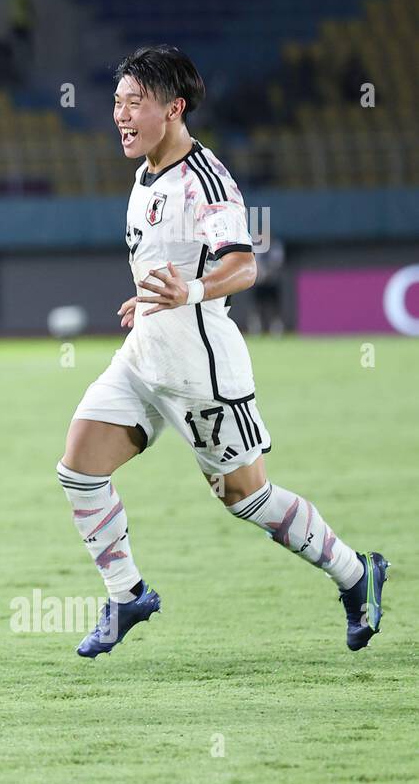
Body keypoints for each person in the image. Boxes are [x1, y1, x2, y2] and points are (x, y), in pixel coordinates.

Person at [58, 45, 388, 658]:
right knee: (79, 466)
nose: (120, 115)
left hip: (200, 368)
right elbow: (168, 266)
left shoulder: (206, 179)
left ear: (174, 108)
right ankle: (127, 593)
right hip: (144, 355)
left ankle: (354, 573)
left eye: (135, 103)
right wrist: (150, 300)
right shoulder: (145, 174)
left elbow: (243, 264)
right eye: (117, 103)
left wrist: (191, 292)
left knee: (246, 497)